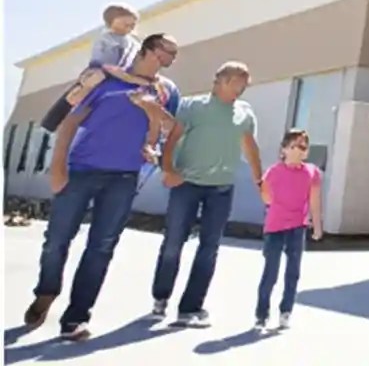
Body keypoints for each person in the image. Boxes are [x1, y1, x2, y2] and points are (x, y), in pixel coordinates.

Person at [24, 34, 181, 341]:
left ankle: (75, 319)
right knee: (56, 240)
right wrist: (58, 168)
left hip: (123, 179)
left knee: (101, 248)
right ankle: (46, 291)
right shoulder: (106, 81)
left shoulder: (162, 91)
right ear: (148, 49)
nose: (172, 59)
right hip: (81, 171)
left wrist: (151, 111)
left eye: (175, 55)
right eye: (168, 52)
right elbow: (69, 123)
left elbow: (167, 128)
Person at [151, 61, 264, 328]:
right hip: (186, 184)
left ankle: (190, 308)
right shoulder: (193, 106)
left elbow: (250, 148)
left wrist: (261, 181)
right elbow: (173, 140)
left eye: (246, 83)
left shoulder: (245, 113)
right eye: (239, 82)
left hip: (222, 189)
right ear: (222, 80)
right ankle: (160, 298)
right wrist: (167, 170)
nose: (243, 88)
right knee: (173, 243)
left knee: (209, 248)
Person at [39, 3, 156, 134]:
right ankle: (52, 122)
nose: (130, 27)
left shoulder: (134, 42)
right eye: (126, 23)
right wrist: (128, 77)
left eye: (133, 24)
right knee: (87, 85)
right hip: (102, 70)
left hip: (122, 73)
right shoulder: (107, 38)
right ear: (111, 22)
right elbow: (106, 65)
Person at [255, 129, 323, 332]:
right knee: (271, 272)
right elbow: (266, 197)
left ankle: (286, 311)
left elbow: (315, 200)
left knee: (293, 272)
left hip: (298, 227)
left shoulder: (312, 172)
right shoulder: (274, 172)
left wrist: (317, 225)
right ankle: (262, 314)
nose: (299, 151)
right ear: (284, 149)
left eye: (304, 147)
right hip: (275, 228)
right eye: (295, 146)